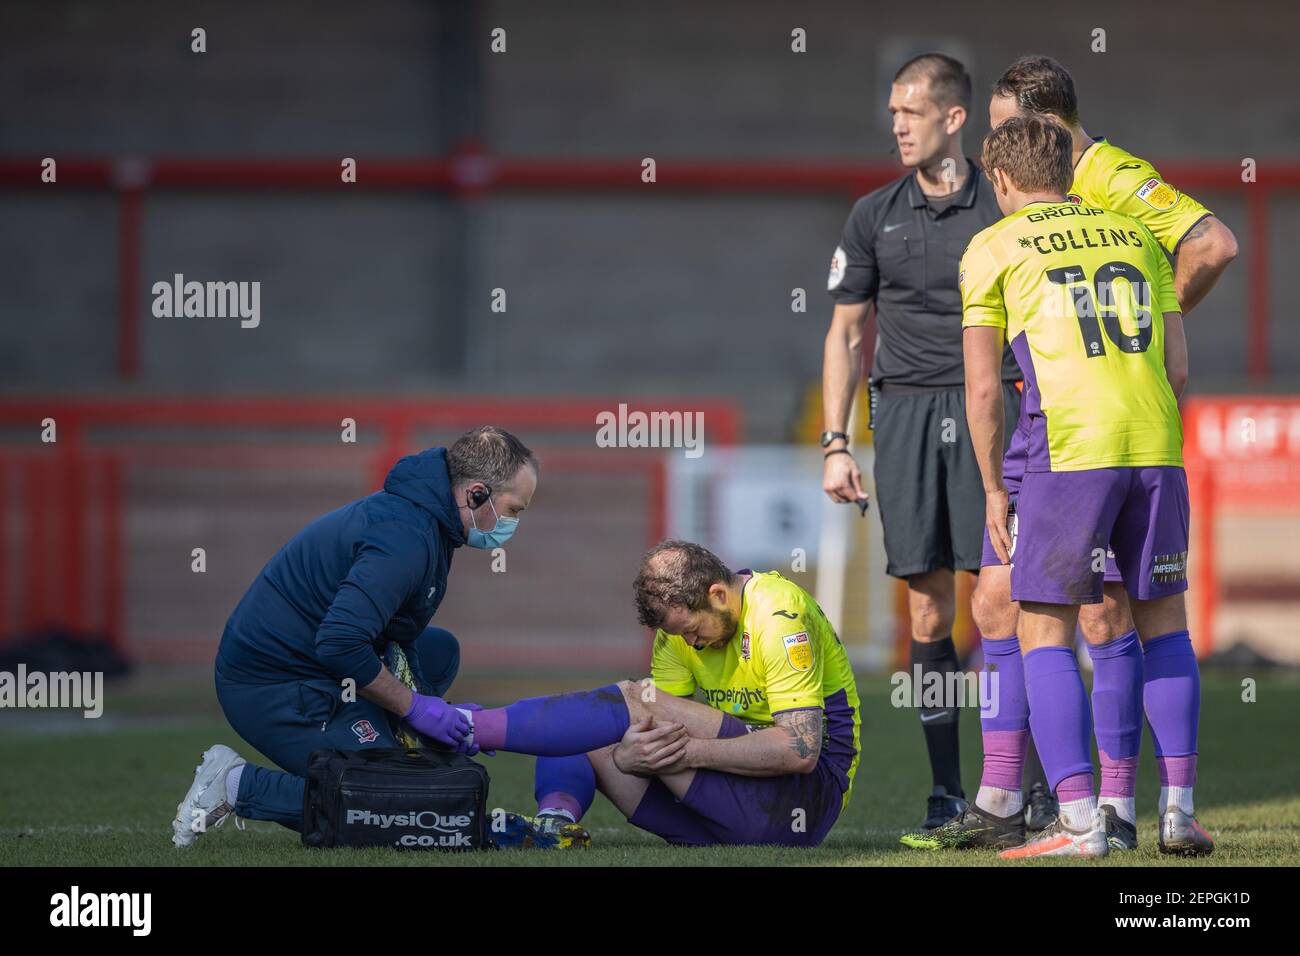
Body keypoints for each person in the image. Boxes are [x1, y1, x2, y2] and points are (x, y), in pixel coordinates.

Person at [950, 55, 1235, 851]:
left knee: (1043, 629)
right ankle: (1176, 809)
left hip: (1069, 449)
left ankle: (1080, 820)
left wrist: (994, 489)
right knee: (1165, 627)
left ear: (1003, 178)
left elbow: (981, 392)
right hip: (1155, 444)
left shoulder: (996, 245)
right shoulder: (1139, 237)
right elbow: (1178, 366)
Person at [822, 52, 1022, 830]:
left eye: (912, 111)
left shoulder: (1005, 209)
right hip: (902, 416)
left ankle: (1013, 785)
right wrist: (837, 441)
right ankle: (947, 789)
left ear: (956, 118)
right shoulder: (873, 214)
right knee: (929, 612)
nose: (897, 124)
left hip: (994, 408)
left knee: (1001, 602)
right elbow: (843, 333)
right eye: (894, 111)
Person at [171, 426, 537, 847]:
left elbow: (389, 634)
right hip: (272, 685)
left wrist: (436, 711)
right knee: (402, 806)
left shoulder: (429, 523)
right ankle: (235, 783)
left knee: (440, 652)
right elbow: (340, 642)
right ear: (475, 494)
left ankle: (390, 744)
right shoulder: (406, 539)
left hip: (317, 668)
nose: (513, 523)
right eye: (513, 509)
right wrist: (414, 706)